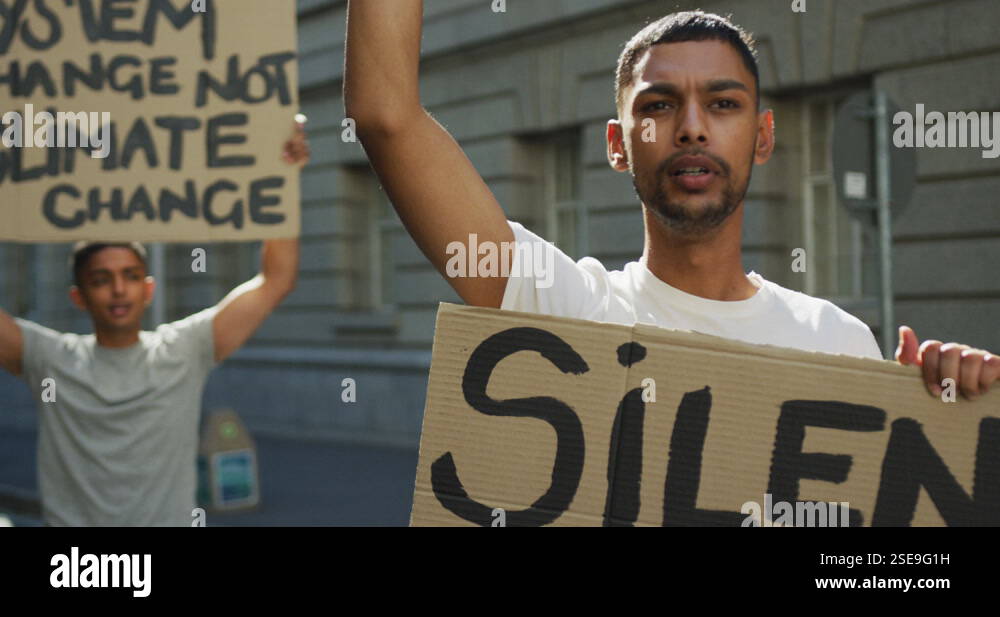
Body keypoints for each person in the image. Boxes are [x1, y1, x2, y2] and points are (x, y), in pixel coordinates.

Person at [343, 3, 997, 399]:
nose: (690, 127)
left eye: (723, 104)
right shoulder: (566, 308)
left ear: (763, 136)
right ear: (618, 145)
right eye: (658, 106)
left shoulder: (837, 341)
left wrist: (950, 414)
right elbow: (385, 116)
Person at [0, 122, 311, 526]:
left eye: (130, 276)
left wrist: (283, 178)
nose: (117, 290)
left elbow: (276, 280)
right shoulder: (49, 358)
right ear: (78, 296)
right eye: (100, 279)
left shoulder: (186, 348)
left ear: (148, 289)